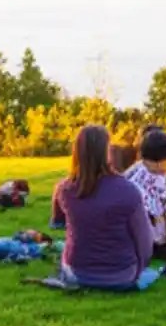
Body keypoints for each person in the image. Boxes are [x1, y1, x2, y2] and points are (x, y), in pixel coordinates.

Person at [45, 125, 158, 291]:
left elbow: (57, 223)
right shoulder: (128, 190)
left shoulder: (64, 189)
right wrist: (138, 270)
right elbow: (145, 242)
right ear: (107, 152)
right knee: (153, 273)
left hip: (76, 273)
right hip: (121, 275)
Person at [124, 127, 166, 256]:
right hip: (152, 243)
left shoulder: (135, 169)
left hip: (128, 238)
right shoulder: (161, 183)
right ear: (163, 161)